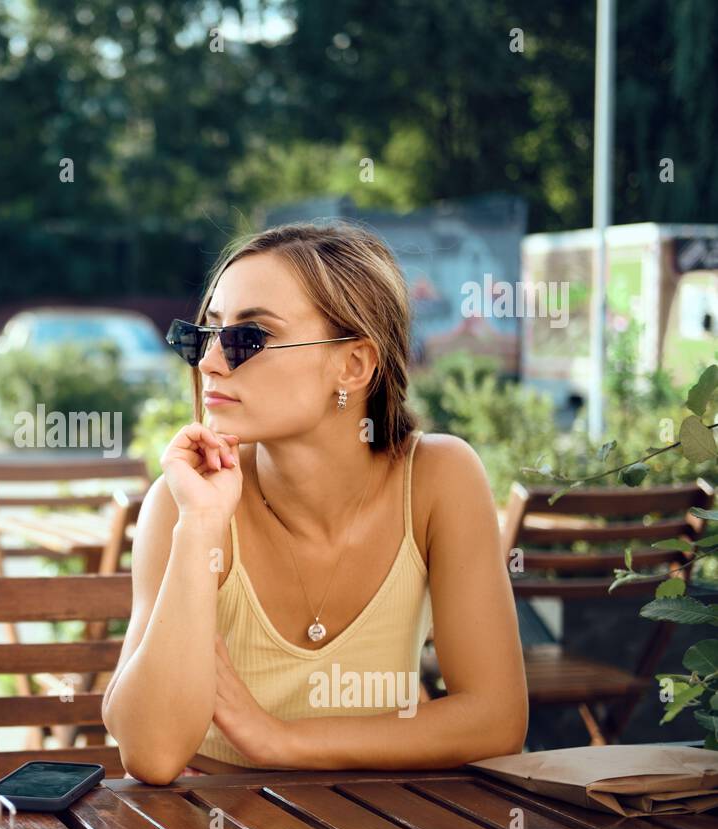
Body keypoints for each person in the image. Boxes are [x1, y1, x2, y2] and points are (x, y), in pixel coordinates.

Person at [101, 222, 528, 784]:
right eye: (206, 334)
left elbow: (497, 720)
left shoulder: (439, 479)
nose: (209, 362)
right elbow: (151, 756)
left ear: (352, 365)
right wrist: (201, 527)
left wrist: (279, 740)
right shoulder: (186, 504)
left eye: (249, 337)